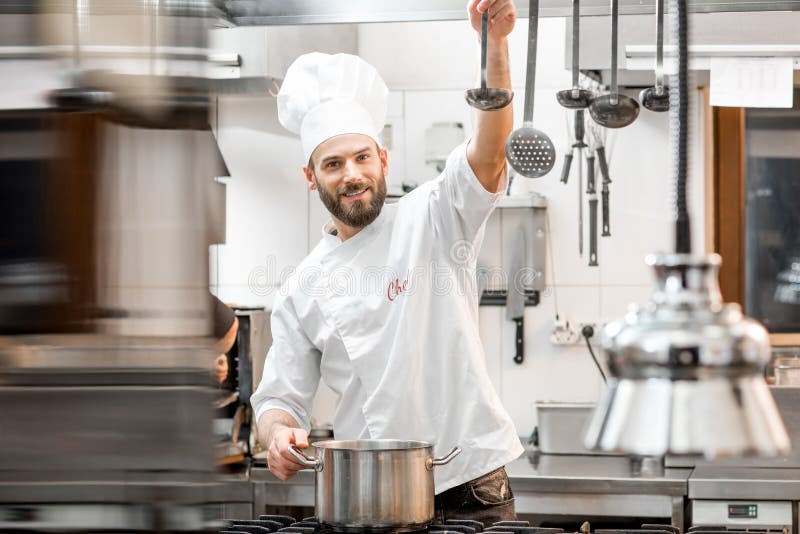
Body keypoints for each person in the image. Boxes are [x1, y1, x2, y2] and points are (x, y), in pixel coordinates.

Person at [250, 0, 523, 524]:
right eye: (333, 164)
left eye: (362, 157)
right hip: (366, 490)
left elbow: (489, 154)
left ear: (384, 160)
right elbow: (278, 399)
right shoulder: (300, 288)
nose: (351, 174)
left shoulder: (435, 216)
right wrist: (279, 432)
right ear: (311, 177)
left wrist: (496, 49)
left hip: (471, 480)